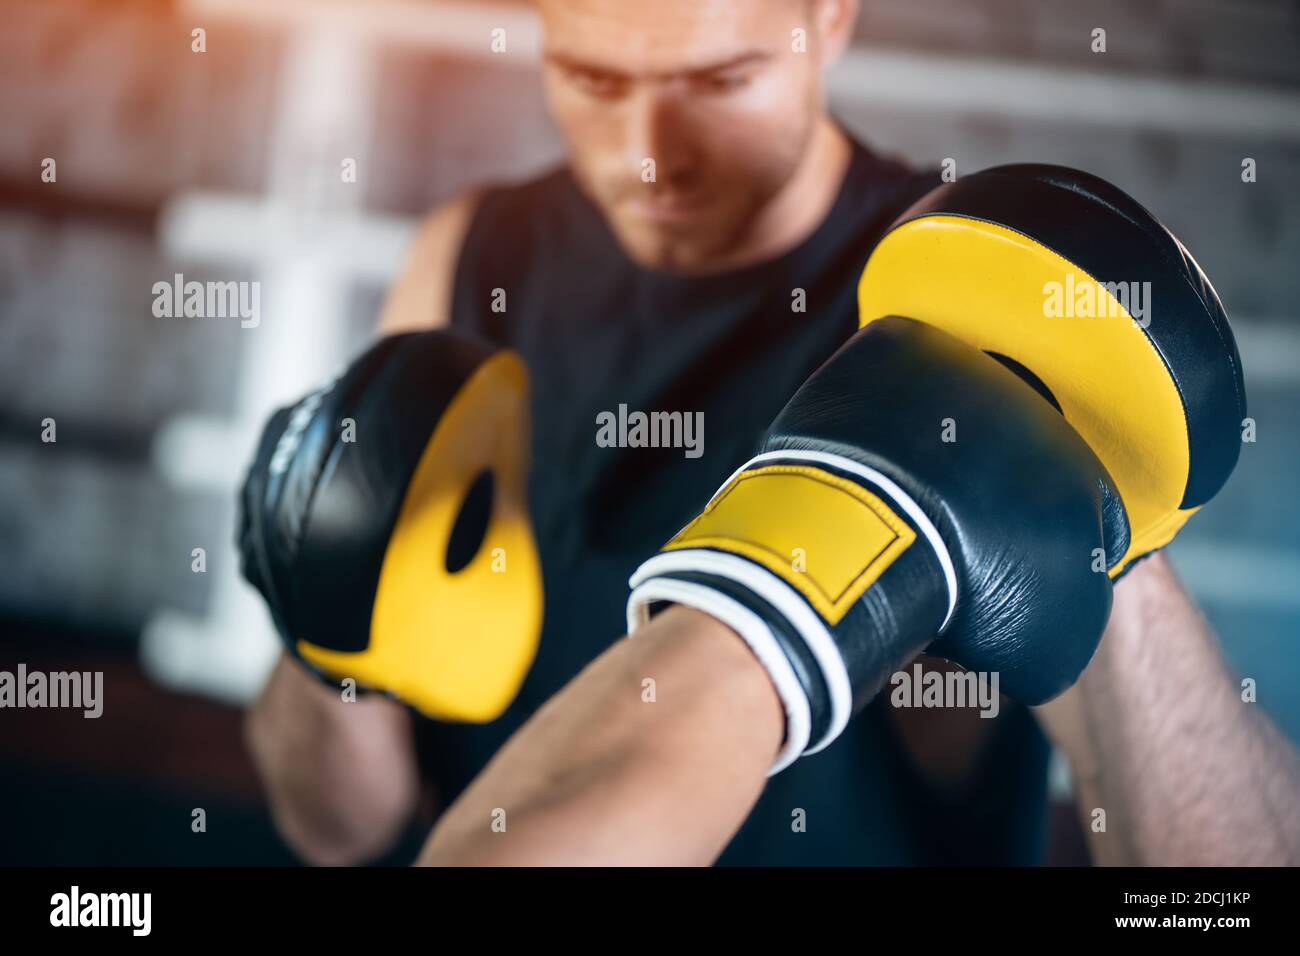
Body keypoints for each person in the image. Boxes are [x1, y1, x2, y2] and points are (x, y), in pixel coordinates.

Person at [243, 0, 1297, 866]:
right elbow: (338, 829)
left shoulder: (962, 299)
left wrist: (1120, 550)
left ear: (829, 20)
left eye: (719, 80)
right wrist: (323, 624)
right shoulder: (468, 259)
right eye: (596, 80)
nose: (649, 157)